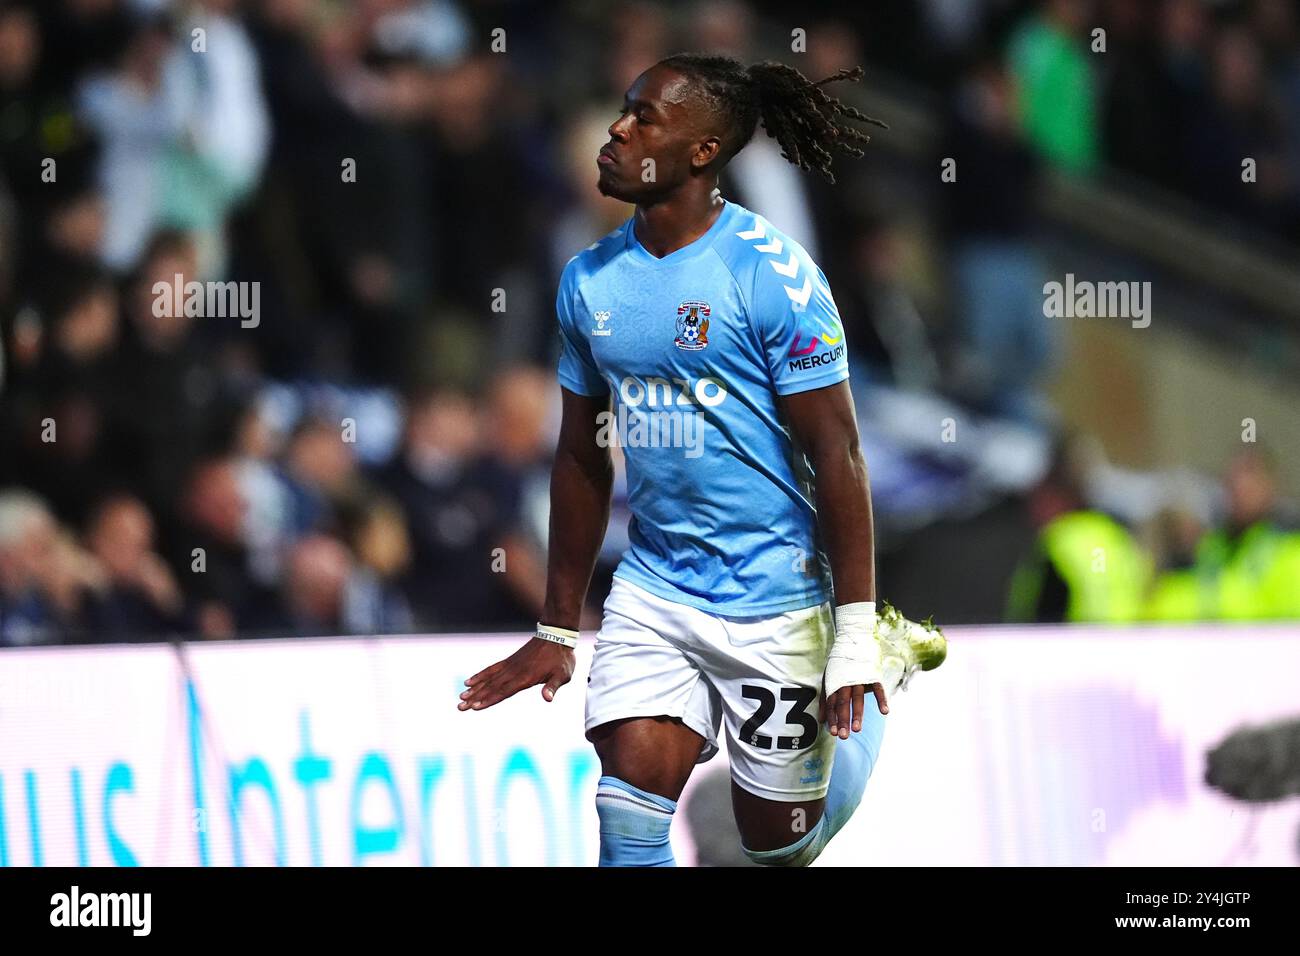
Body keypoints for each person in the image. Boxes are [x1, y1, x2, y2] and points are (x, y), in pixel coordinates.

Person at [457, 54, 945, 867]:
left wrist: (856, 634)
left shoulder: (773, 276)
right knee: (628, 812)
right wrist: (556, 623)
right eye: (623, 109)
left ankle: (886, 677)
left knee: (776, 848)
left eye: (645, 117)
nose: (617, 129)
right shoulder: (589, 282)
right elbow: (582, 455)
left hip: (777, 595)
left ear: (701, 153)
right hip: (657, 590)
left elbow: (839, 450)